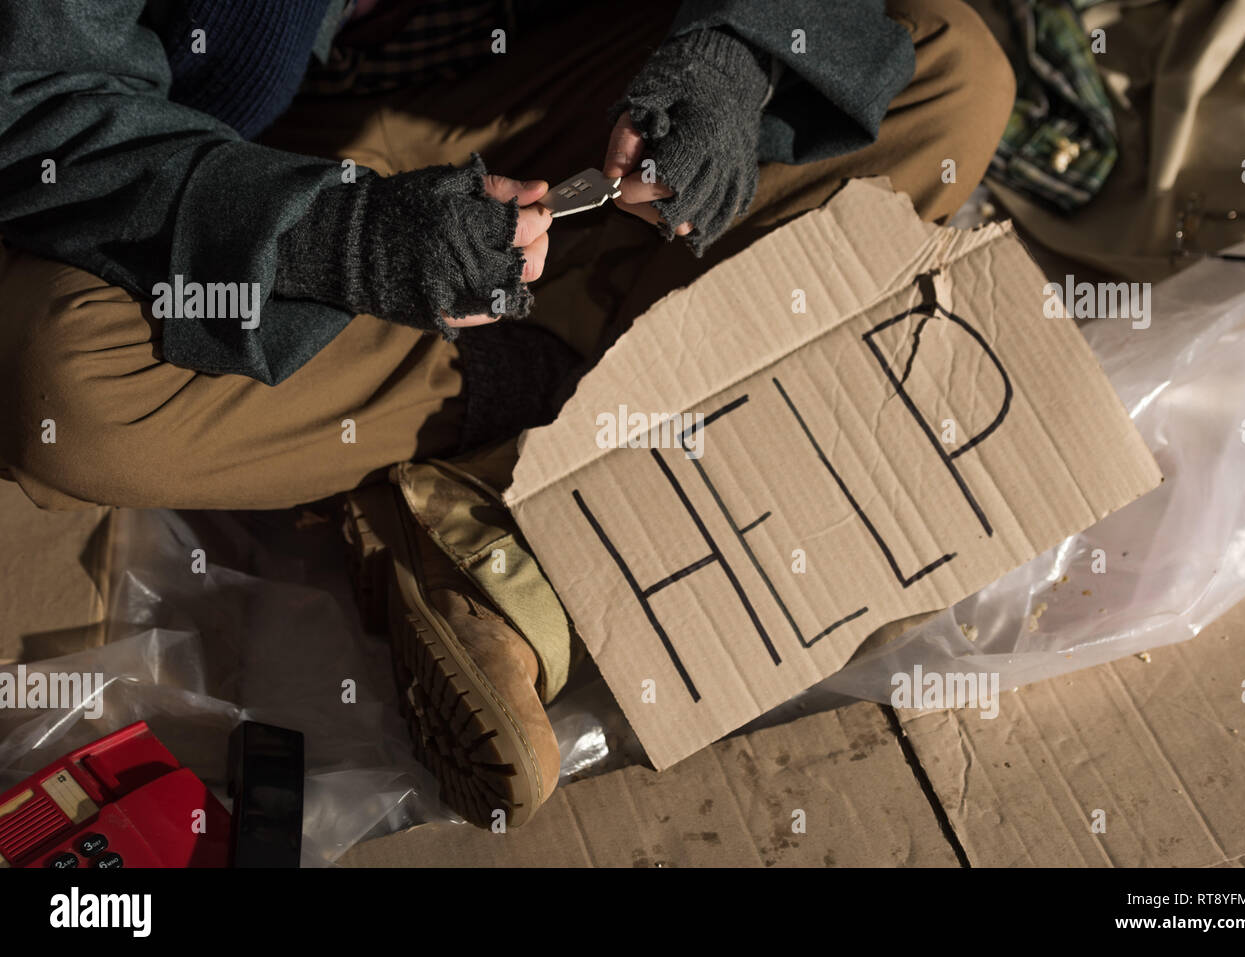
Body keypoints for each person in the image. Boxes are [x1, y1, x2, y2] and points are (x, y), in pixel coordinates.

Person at [0, 0, 1014, 828]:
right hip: (250, 161)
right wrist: (335, 240)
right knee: (62, 390)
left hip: (560, 94)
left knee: (947, 68)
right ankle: (556, 392)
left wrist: (731, 55)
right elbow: (36, 109)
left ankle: (463, 498)